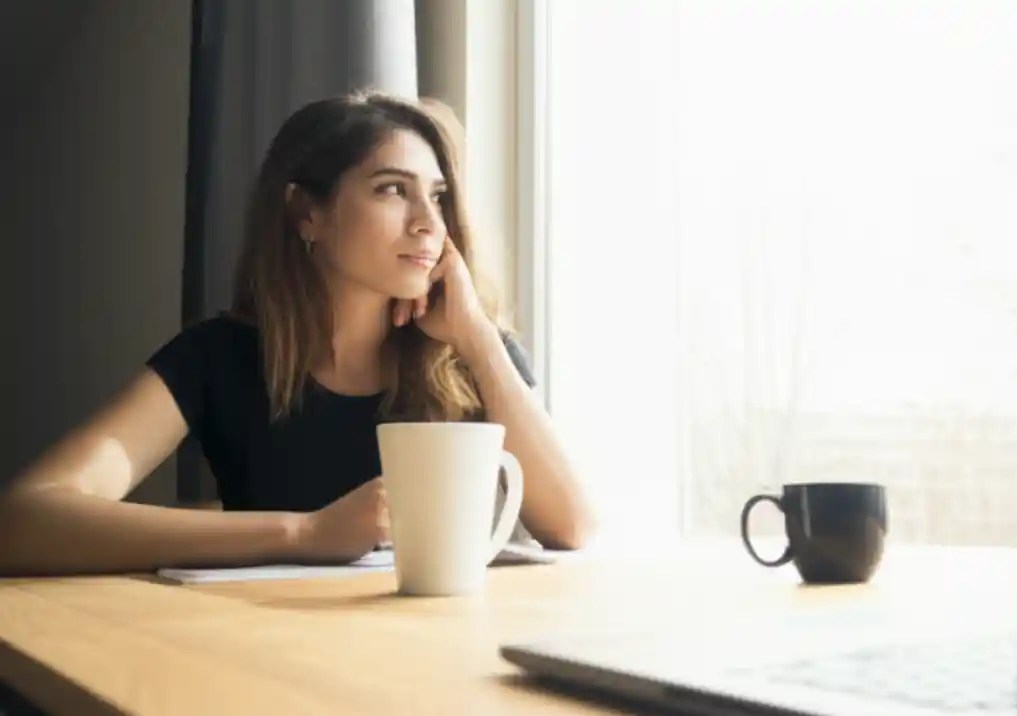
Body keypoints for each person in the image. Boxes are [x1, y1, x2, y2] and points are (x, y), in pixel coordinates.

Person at [0, 91, 595, 576]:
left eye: (437, 196)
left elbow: (571, 527)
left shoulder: (471, 356)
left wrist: (479, 337)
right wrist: (306, 533)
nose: (428, 223)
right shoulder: (217, 358)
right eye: (393, 189)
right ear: (306, 213)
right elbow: (24, 520)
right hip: (266, 658)